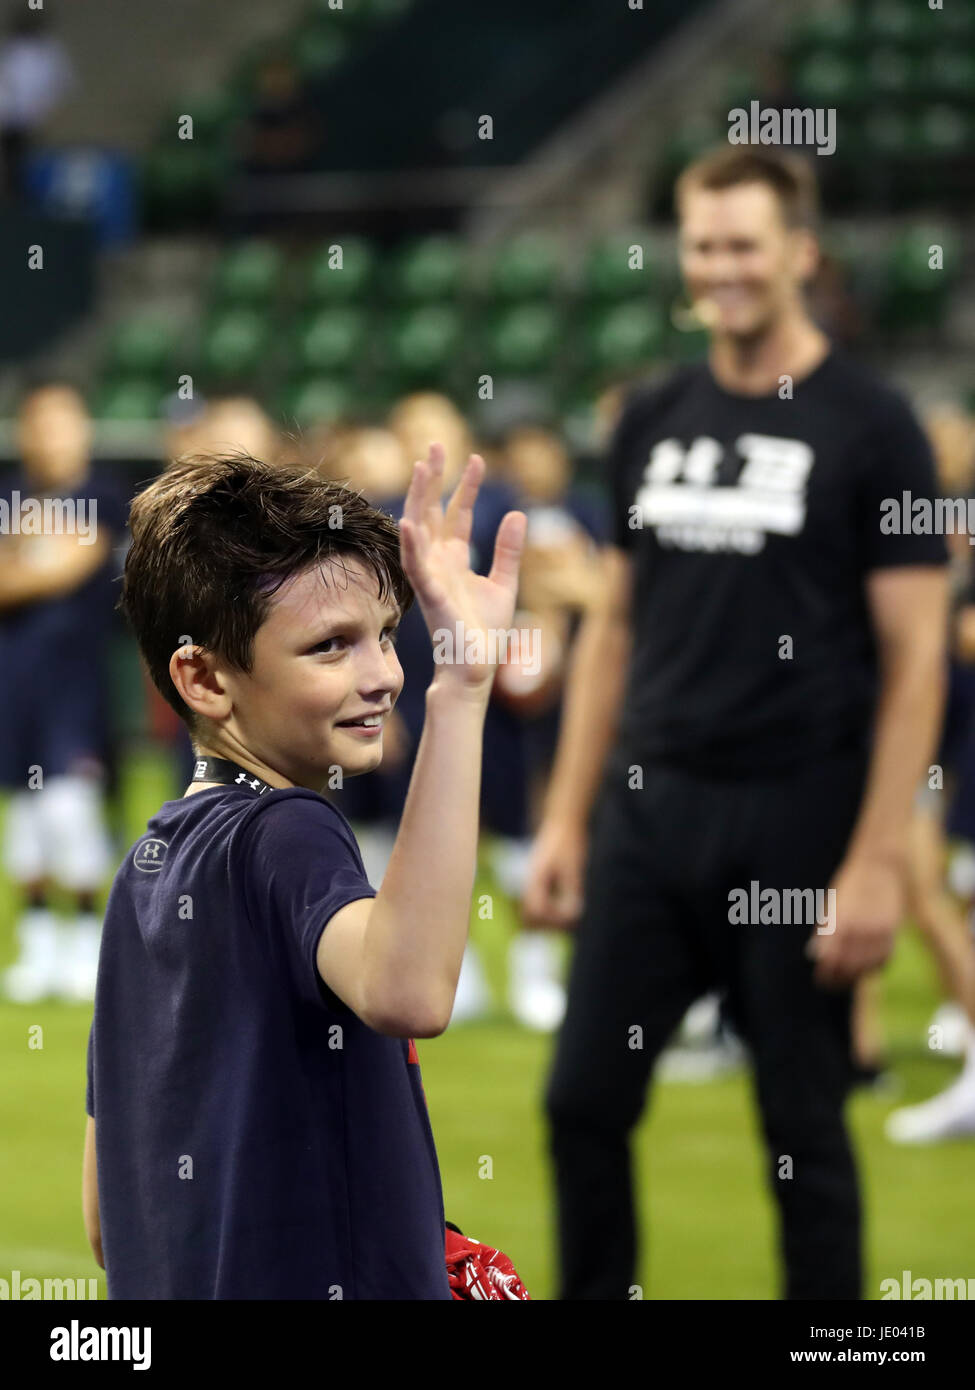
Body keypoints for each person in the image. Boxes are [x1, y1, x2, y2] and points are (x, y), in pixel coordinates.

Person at [524, 147, 949, 1300]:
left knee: (801, 1124)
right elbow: (614, 628)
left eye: (745, 245)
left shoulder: (874, 425)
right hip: (651, 808)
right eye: (704, 245)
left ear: (800, 253)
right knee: (580, 1102)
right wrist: (564, 821)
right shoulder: (651, 415)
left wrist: (873, 865)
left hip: (799, 814)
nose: (722, 269)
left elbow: (918, 661)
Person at [82, 443, 526, 1298]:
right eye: (330, 647)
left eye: (387, 637)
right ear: (204, 678)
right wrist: (463, 690)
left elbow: (110, 1220)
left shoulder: (144, 868)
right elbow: (408, 990)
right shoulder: (287, 829)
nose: (383, 677)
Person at [0, 382, 127, 1003]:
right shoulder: (9, 495)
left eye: (60, 423)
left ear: (81, 429)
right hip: (12, 680)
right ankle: (38, 936)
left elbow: (69, 565)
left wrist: (22, 562)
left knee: (68, 807)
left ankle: (85, 937)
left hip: (76, 682)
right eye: (37, 423)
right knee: (23, 817)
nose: (49, 436)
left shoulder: (102, 496)